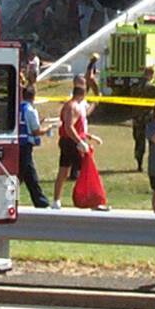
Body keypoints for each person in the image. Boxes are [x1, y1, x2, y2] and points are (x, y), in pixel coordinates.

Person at [52, 75, 104, 209]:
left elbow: (78, 128)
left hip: (69, 141)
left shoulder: (76, 106)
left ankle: (56, 201)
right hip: (71, 143)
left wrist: (91, 137)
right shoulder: (72, 107)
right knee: (87, 169)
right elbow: (69, 127)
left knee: (64, 171)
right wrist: (80, 142)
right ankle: (90, 199)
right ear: (82, 94)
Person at [17, 85, 54, 208]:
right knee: (21, 175)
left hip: (18, 144)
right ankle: (40, 201)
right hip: (26, 145)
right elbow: (36, 131)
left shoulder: (18, 108)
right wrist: (48, 128)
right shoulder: (31, 110)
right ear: (34, 96)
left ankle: (40, 201)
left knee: (30, 175)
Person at [131, 65, 155, 171]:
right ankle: (154, 163)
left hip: (136, 118)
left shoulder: (134, 86)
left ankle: (139, 164)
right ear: (151, 75)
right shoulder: (149, 88)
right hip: (147, 119)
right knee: (153, 141)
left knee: (139, 142)